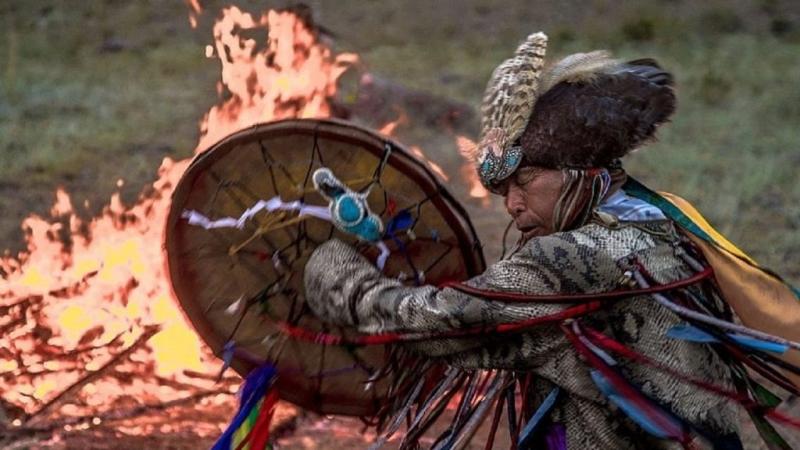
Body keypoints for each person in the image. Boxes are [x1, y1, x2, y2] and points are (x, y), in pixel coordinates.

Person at [302, 32, 800, 449]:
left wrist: (333, 274)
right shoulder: (660, 221)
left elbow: (438, 321)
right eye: (504, 189)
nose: (512, 205)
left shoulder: (567, 259)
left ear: (580, 173)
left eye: (525, 182)